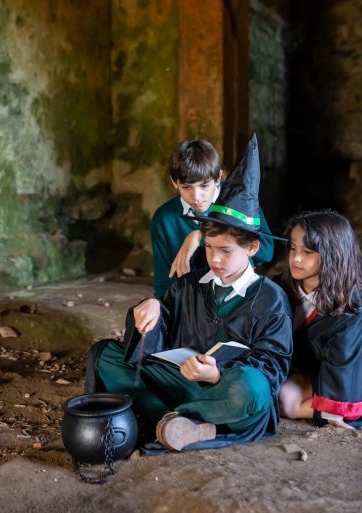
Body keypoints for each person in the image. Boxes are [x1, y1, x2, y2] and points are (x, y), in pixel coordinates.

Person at [84, 134, 292, 452]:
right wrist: (150, 308)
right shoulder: (190, 283)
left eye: (225, 250)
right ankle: (179, 422)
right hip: (180, 379)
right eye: (208, 248)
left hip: (223, 388)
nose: (215, 259)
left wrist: (217, 374)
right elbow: (164, 317)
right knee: (105, 355)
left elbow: (273, 365)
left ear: (252, 247)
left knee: (251, 388)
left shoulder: (270, 299)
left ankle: (163, 416)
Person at [278, 210, 362, 431]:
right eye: (293, 248)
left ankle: (357, 401)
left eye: (308, 251)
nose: (296, 258)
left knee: (288, 404)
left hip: (342, 369)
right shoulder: (280, 286)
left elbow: (344, 358)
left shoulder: (349, 307)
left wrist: (330, 408)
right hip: (300, 365)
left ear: (333, 255)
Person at [151, 139, 275, 298]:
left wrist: (200, 236)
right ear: (174, 182)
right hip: (190, 300)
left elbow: (265, 252)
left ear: (218, 178)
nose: (196, 197)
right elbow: (164, 283)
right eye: (186, 187)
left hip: (237, 296)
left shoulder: (240, 202)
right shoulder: (164, 218)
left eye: (204, 186)